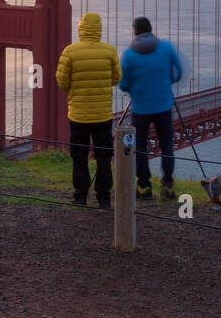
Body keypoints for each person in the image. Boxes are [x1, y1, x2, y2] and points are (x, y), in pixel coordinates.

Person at [55, 12, 121, 208]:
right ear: (99, 29)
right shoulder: (109, 51)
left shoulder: (70, 52)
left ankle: (80, 196)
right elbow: (116, 78)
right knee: (104, 156)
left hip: (78, 115)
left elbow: (62, 82)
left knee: (79, 156)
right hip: (103, 115)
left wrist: (75, 88)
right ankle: (103, 198)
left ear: (81, 29)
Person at [118, 16, 183, 200]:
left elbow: (123, 84)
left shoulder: (129, 54)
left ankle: (145, 187)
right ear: (151, 29)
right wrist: (165, 83)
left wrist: (135, 88)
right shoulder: (166, 48)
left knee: (140, 146)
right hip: (163, 105)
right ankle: (168, 186)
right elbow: (178, 72)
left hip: (140, 108)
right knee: (167, 146)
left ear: (135, 31)